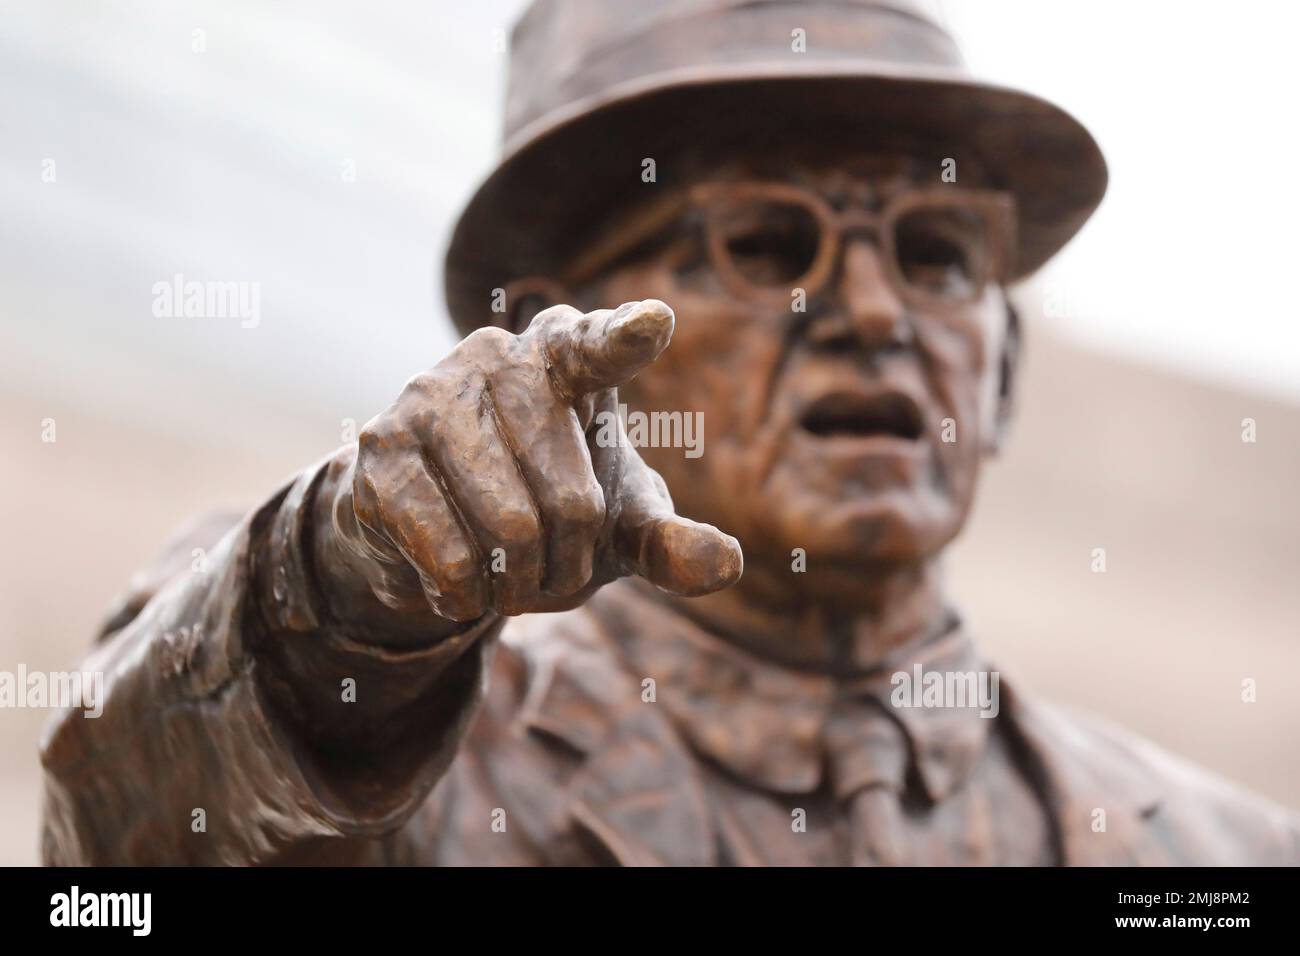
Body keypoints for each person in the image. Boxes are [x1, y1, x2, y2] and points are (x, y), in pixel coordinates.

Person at [40, 0, 1299, 865]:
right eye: (764, 245)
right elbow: (123, 832)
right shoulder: (388, 756)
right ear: (555, 352)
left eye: (936, 253)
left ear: (1007, 367)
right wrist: (342, 588)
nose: (873, 311)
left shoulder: (1217, 856)